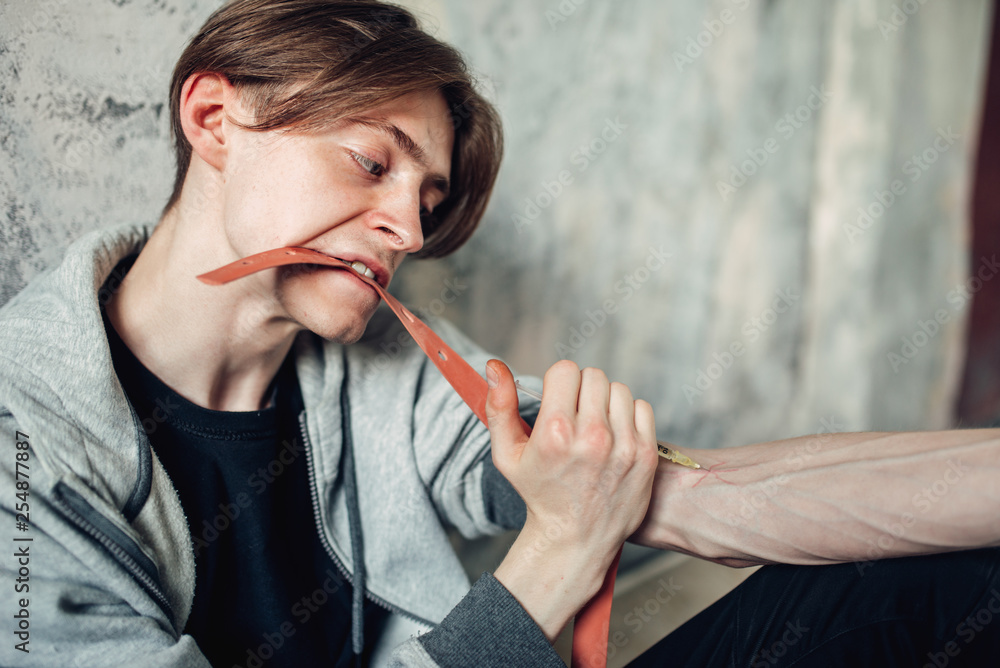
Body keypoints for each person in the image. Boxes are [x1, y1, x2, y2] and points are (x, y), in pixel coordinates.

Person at [0, 2, 997, 667]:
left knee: (934, 581)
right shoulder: (24, 444)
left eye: (427, 196)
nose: (409, 227)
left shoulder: (382, 367)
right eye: (370, 163)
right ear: (215, 116)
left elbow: (698, 495)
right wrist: (555, 555)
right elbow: (573, 530)